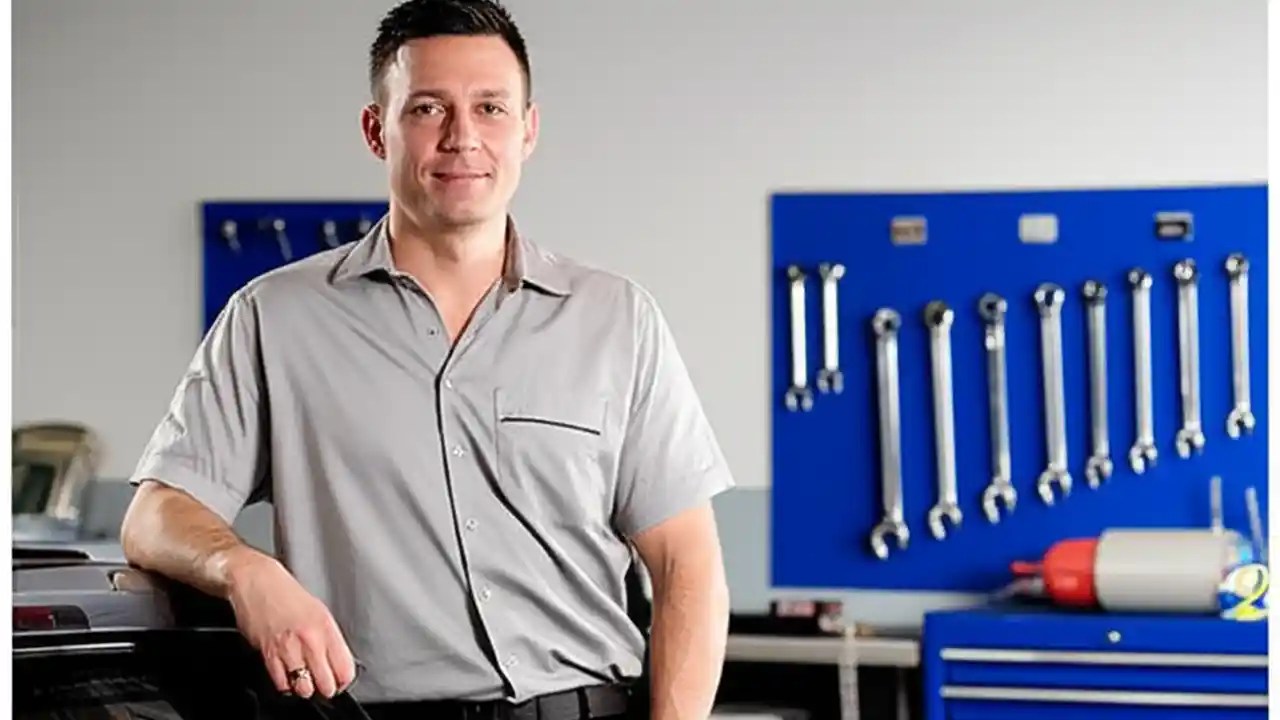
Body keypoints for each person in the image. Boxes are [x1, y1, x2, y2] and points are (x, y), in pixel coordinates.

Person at [118, 1, 735, 718]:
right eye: (428, 109)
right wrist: (246, 571)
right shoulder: (274, 319)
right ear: (377, 130)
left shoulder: (616, 319)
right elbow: (154, 516)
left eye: (491, 108)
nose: (462, 137)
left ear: (528, 129)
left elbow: (686, 562)